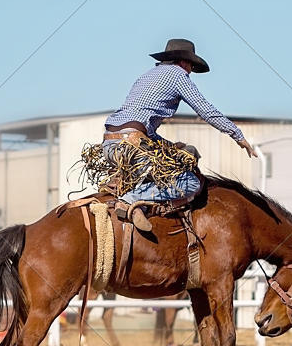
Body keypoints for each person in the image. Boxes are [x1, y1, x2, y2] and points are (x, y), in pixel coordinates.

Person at [101, 38, 256, 232]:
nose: (190, 71)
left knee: (170, 162)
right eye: (190, 65)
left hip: (111, 146)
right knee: (190, 182)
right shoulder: (178, 75)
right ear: (183, 62)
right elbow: (205, 109)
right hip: (133, 147)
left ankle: (121, 187)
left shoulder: (146, 76)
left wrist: (170, 147)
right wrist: (237, 135)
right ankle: (129, 200)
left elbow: (141, 129)